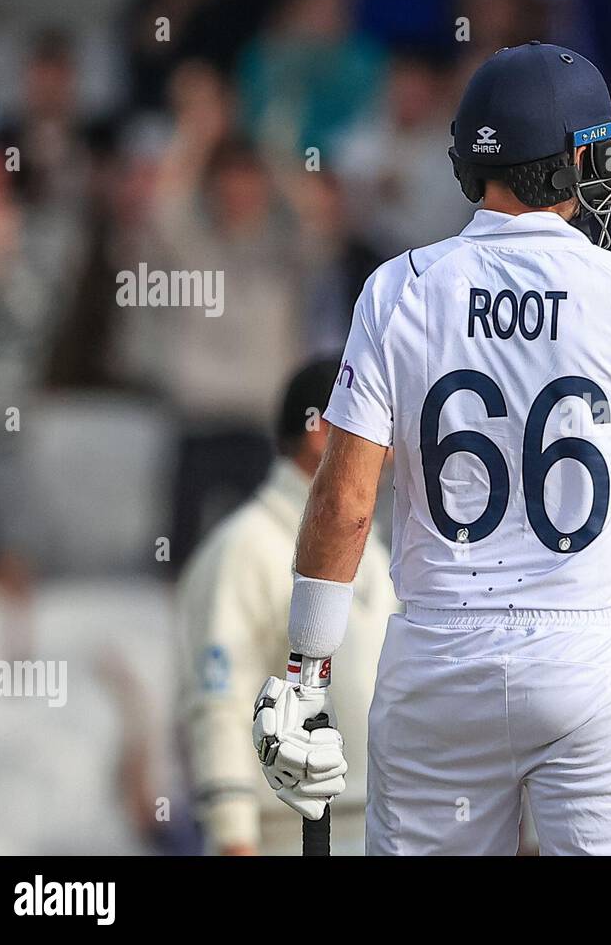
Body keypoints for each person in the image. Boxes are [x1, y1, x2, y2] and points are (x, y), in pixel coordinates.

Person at [250, 42, 611, 855]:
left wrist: (305, 670)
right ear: (573, 163)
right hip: (592, 653)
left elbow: (347, 500)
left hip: (440, 653)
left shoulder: (400, 285)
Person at [178, 359, 394, 855]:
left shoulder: (375, 552)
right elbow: (219, 701)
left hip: (377, 826)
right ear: (323, 434)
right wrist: (233, 835)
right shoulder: (244, 547)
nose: (392, 448)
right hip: (284, 836)